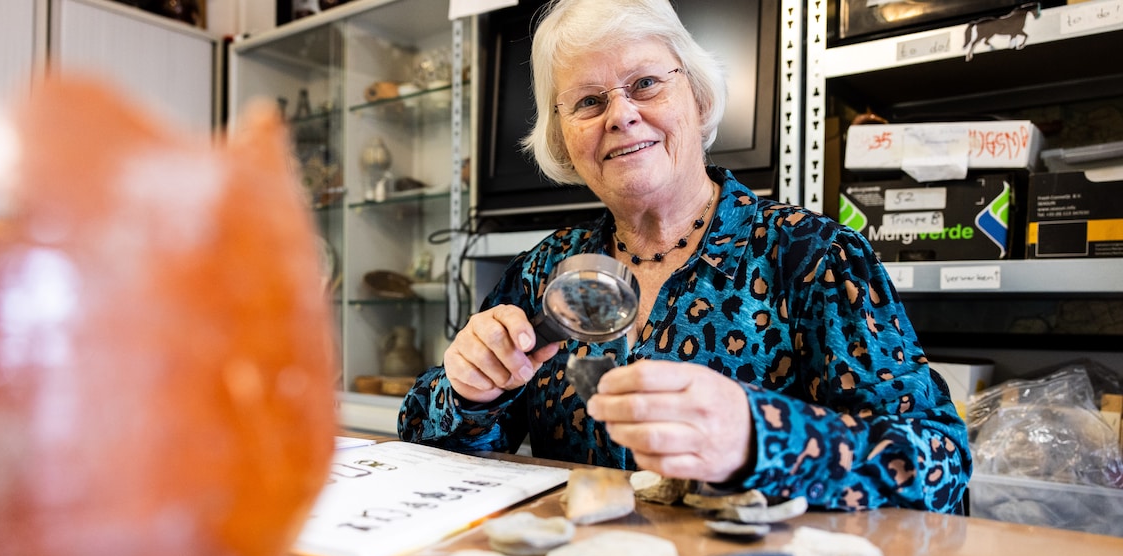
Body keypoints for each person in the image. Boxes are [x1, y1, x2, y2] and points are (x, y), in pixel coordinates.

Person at [399, 0, 971, 513]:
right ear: (563, 139)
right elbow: (431, 450)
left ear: (697, 99)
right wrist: (467, 391)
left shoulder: (812, 256)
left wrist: (756, 438)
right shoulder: (544, 271)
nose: (619, 115)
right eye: (589, 101)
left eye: (645, 83)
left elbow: (940, 462)